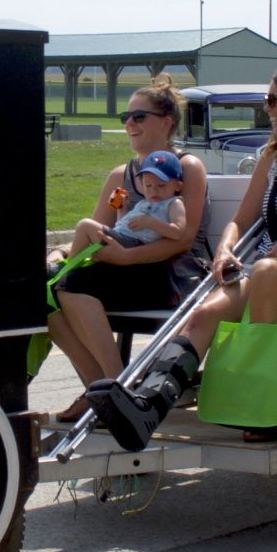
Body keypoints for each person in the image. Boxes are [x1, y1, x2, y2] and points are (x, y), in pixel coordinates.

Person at [88, 68, 277, 448]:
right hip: (267, 271)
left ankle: (267, 404)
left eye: (272, 100)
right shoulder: (274, 156)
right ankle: (150, 405)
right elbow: (241, 219)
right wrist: (224, 251)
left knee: (270, 272)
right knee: (204, 313)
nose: (265, 109)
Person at [46, 77, 209, 419]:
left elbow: (181, 238)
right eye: (126, 116)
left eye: (139, 116)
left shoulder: (186, 167)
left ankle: (117, 387)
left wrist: (126, 256)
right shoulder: (120, 176)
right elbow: (97, 229)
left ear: (166, 122)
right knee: (42, 291)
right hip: (122, 270)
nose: (129, 124)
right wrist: (62, 251)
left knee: (72, 285)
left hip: (168, 274)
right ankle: (101, 390)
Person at [72, 150, 188, 253]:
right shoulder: (143, 203)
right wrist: (122, 209)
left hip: (135, 244)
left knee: (85, 225)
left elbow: (178, 233)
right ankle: (71, 261)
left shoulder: (174, 203)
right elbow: (123, 225)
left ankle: (71, 267)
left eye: (161, 185)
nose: (154, 190)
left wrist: (150, 222)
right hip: (122, 238)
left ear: (178, 186)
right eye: (148, 185)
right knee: (87, 230)